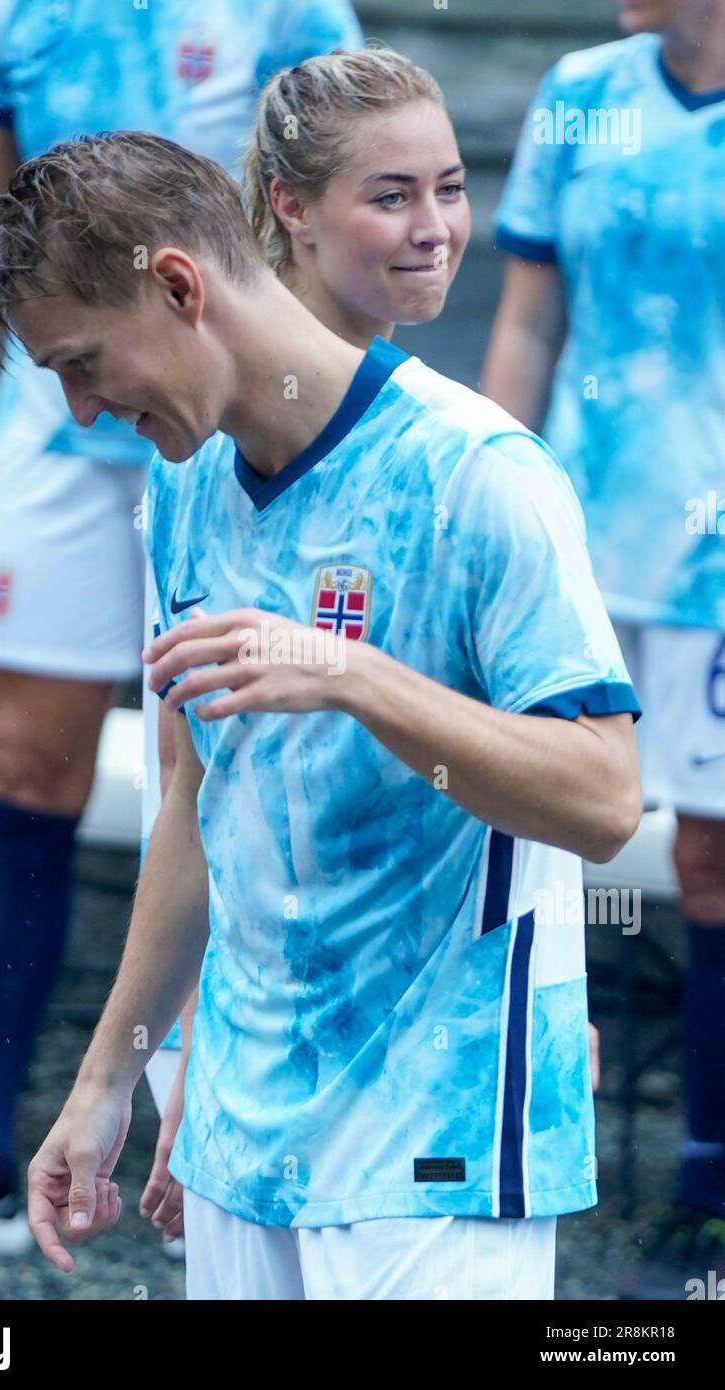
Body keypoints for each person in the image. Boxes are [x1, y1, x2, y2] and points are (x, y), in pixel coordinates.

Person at [0, 126, 642, 1301]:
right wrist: (113, 1079)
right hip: (242, 1136)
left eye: (81, 364)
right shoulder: (179, 486)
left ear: (179, 286)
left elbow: (600, 800)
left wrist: (351, 674)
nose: (78, 412)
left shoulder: (478, 473)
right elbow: (197, 795)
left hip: (439, 1144)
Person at [0, 0, 362, 1280]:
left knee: (218, 765)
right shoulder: (12, 18)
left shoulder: (284, 12)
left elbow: (313, 225)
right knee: (26, 776)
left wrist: (313, 416)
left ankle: (237, 1144)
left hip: (212, 397)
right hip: (57, 405)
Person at [482, 0, 725, 1300]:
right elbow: (526, 323)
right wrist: (484, 500)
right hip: (577, 538)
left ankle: (703, 1189)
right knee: (533, 834)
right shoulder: (579, 89)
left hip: (715, 562)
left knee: (706, 859)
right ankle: (514, 1159)